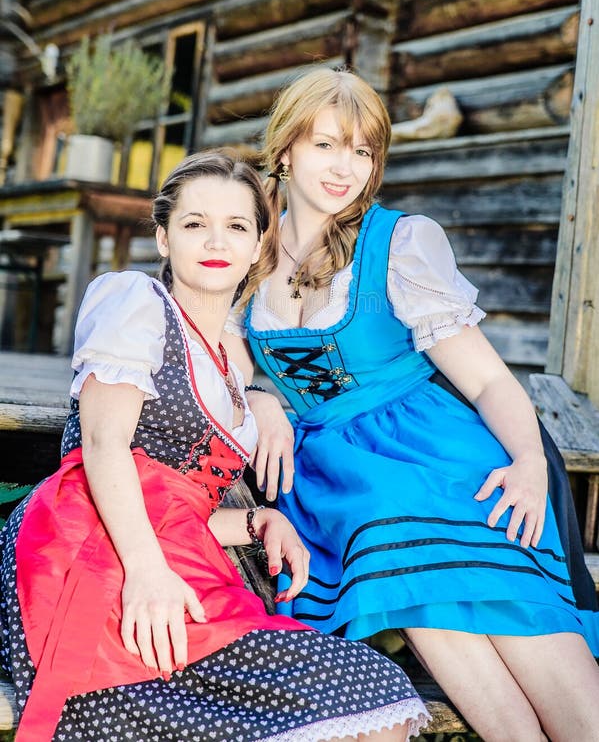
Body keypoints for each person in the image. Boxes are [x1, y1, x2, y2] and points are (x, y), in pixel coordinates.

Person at [223, 66, 599, 742]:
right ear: (283, 150)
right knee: (393, 542)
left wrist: (526, 463)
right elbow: (230, 365)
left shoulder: (398, 242)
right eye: (327, 146)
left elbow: (486, 381)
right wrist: (263, 397)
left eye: (363, 151)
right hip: (342, 487)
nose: (347, 168)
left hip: (433, 459)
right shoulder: (248, 251)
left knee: (496, 613)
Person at [0, 152, 430, 742]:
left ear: (259, 247)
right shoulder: (135, 303)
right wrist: (148, 576)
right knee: (360, 697)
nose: (214, 241)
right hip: (91, 547)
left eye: (236, 226)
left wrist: (257, 521)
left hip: (184, 557)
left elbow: (182, 512)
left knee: (377, 699)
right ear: (163, 237)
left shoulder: (237, 356)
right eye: (194, 223)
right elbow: (103, 448)